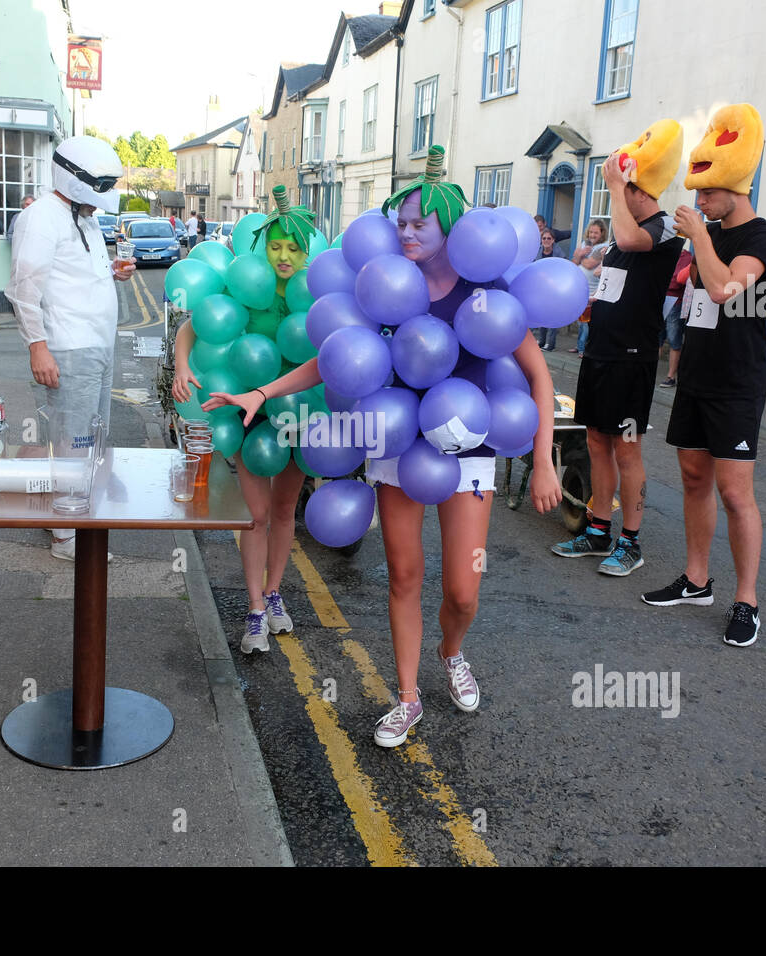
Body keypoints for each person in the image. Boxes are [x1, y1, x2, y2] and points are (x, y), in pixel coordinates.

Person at [204, 146, 563, 747]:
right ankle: (407, 696)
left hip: (466, 440)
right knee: (402, 572)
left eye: (419, 224)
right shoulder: (386, 281)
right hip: (395, 436)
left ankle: (451, 652)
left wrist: (545, 458)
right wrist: (262, 393)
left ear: (451, 227)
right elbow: (336, 356)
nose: (407, 234)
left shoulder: (485, 287)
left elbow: (539, 376)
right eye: (400, 224)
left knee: (463, 588)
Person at [641, 103, 766, 649]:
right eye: (697, 194)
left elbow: (726, 289)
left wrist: (699, 235)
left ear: (733, 187)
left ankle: (746, 600)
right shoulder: (710, 230)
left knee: (734, 491)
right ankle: (696, 580)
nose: (699, 201)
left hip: (738, 380)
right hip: (696, 373)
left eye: (708, 193)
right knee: (694, 478)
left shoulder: (761, 236)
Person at [172, 185, 311, 653]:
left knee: (285, 511)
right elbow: (193, 325)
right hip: (250, 410)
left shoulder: (318, 290)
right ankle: (253, 609)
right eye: (276, 246)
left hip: (302, 410)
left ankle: (274, 594)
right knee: (255, 516)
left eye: (294, 248)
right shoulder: (248, 283)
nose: (284, 256)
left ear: (309, 250)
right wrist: (181, 367)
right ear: (263, 248)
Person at [552, 120, 685, 578]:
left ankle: (631, 542)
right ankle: (598, 529)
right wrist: (593, 305)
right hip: (601, 353)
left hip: (633, 356)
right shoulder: (619, 235)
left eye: (623, 188)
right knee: (595, 443)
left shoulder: (663, 226)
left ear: (638, 188)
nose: (616, 194)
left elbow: (631, 240)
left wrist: (614, 183)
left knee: (627, 450)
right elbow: (614, 274)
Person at [5, 135, 135, 560]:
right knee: (73, 440)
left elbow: (74, 274)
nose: (105, 195)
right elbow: (24, 289)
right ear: (77, 179)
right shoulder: (40, 218)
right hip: (69, 347)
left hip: (98, 344)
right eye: (102, 185)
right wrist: (37, 348)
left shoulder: (86, 218)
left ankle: (72, 513)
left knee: (91, 438)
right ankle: (66, 533)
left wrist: (111, 272)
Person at [569, 220, 608, 353]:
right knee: (581, 321)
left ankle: (583, 349)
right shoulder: (585, 243)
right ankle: (579, 345)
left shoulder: (602, 247)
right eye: (591, 232)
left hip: (592, 290)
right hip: (580, 289)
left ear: (602, 233)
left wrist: (580, 256)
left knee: (587, 322)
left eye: (596, 232)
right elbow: (573, 263)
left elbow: (590, 264)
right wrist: (578, 257)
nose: (592, 235)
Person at [658, 249, 694, 388]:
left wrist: (662, 280)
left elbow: (678, 280)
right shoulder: (663, 252)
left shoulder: (685, 256)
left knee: (674, 340)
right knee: (657, 337)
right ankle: (650, 370)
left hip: (675, 302)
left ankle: (671, 376)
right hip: (660, 300)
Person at [535, 229, 559, 350]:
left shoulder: (558, 253)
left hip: (554, 289)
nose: (546, 241)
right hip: (540, 288)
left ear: (553, 240)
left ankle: (550, 343)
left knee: (552, 315)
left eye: (549, 238)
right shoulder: (537, 252)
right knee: (542, 315)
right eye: (544, 238)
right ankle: (542, 340)